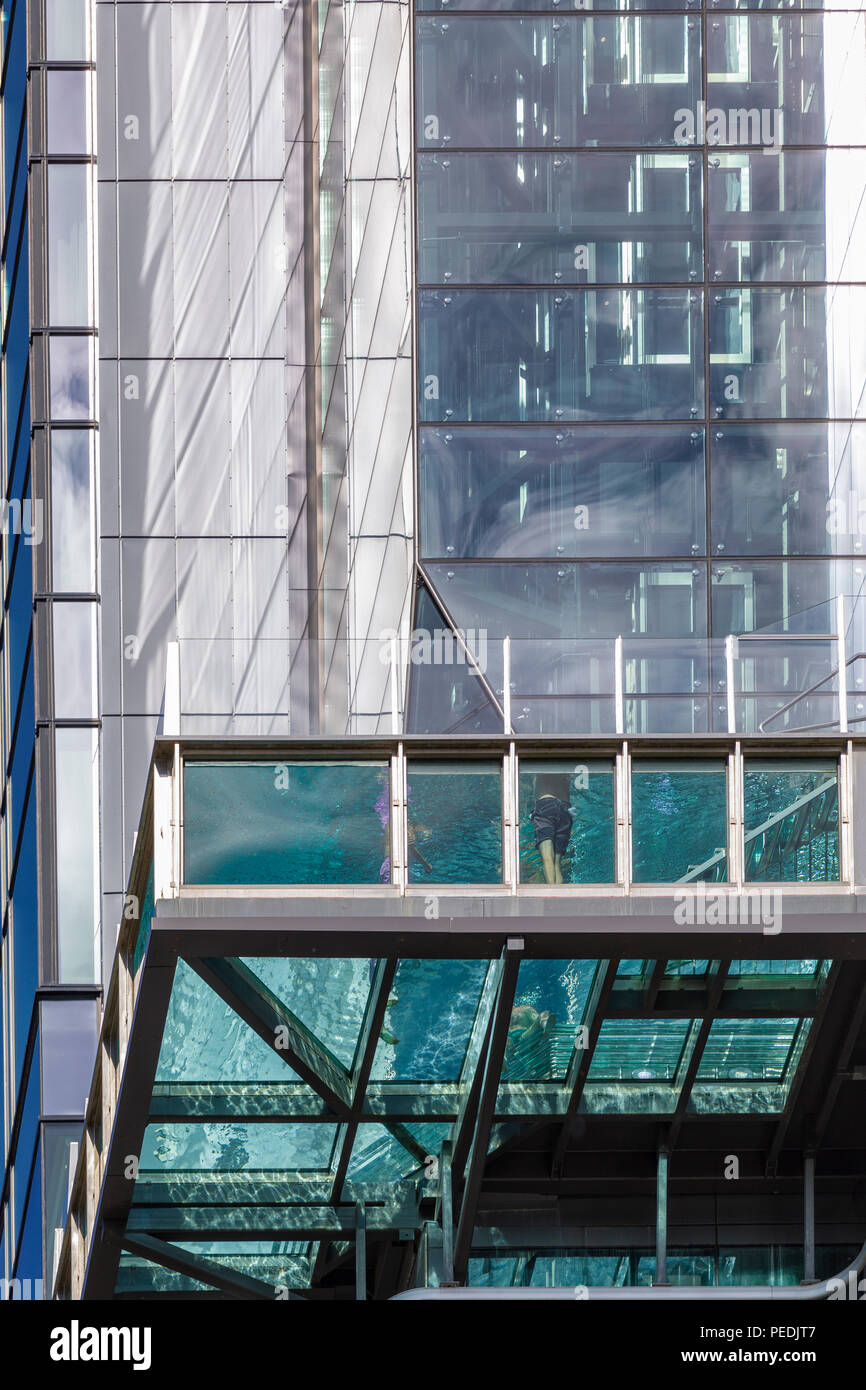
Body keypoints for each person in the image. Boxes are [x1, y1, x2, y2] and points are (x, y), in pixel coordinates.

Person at [530, 773, 574, 884]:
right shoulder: (565, 773)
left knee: (547, 858)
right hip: (565, 809)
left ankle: (551, 895)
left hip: (545, 805)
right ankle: (559, 897)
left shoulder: (538, 770)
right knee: (556, 864)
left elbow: (534, 786)